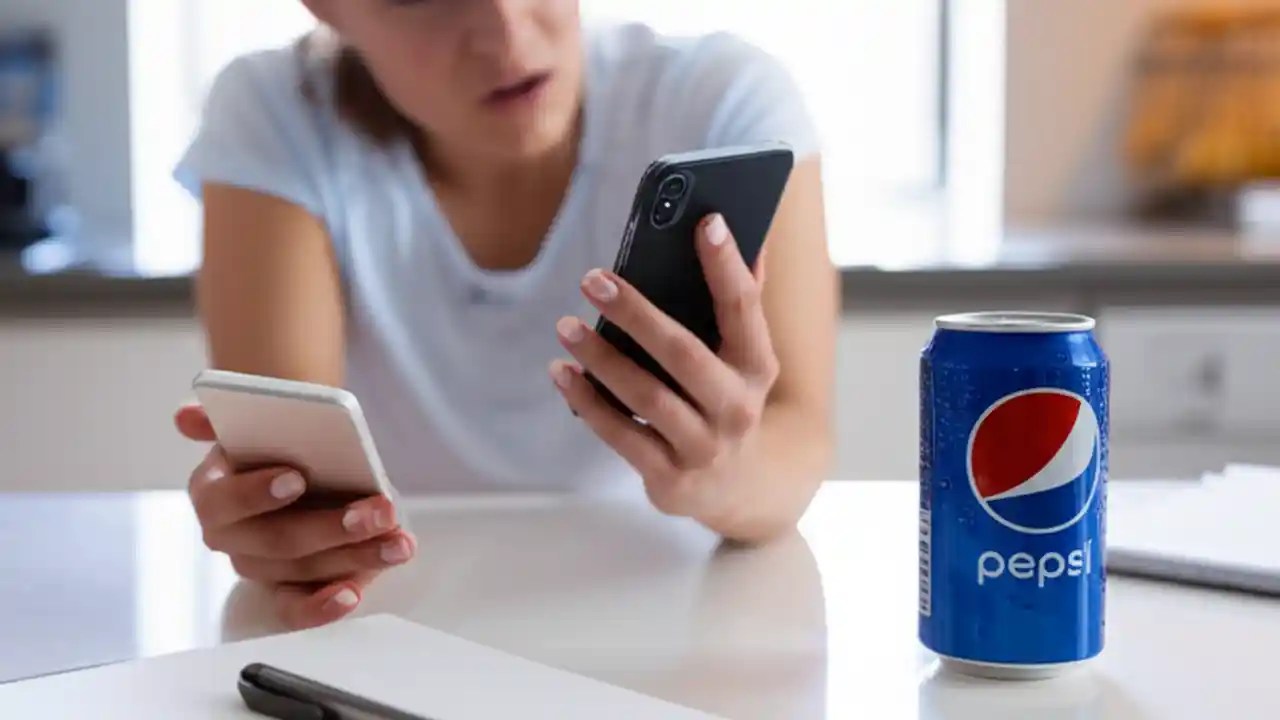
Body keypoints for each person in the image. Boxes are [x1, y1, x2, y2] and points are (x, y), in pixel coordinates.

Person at [172, 0, 837, 630]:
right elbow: (303, 477)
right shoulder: (276, 112)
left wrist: (725, 472)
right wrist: (281, 522)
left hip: (666, 606)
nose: (507, 38)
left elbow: (797, 444)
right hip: (400, 620)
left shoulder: (719, 98)